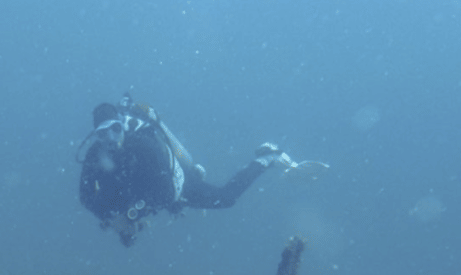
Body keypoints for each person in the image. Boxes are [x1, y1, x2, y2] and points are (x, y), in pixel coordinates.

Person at [77, 93, 297, 246]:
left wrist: (131, 214)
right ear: (95, 136)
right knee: (125, 237)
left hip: (171, 184)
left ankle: (267, 157)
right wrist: (109, 217)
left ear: (122, 125)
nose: (111, 139)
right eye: (102, 134)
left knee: (226, 198)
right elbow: (86, 197)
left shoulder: (143, 145)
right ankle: (128, 224)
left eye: (115, 129)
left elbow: (165, 192)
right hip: (132, 191)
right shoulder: (94, 156)